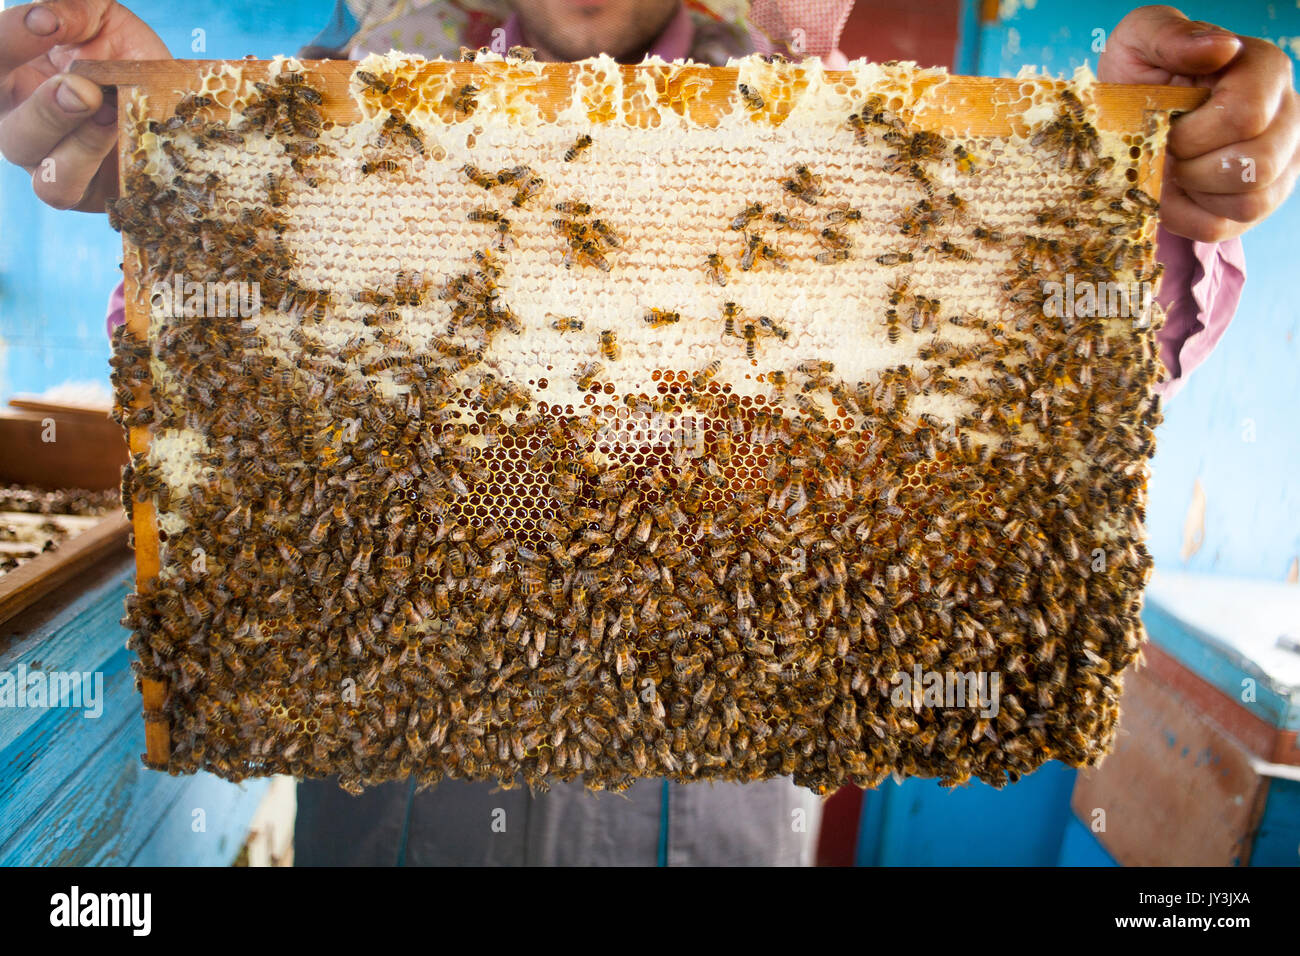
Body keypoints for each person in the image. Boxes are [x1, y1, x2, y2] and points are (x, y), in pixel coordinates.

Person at [0, 0, 1293, 864]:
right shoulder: (333, 111)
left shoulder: (834, 126)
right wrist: (178, 175)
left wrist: (1133, 194)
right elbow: (225, 400)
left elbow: (1028, 376)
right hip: (401, 795)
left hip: (723, 799)